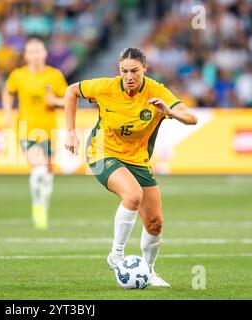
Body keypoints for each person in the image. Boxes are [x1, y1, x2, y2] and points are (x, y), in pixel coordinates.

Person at [64, 47, 197, 286]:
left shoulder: (156, 91)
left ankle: (150, 272)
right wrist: (71, 133)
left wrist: (170, 113)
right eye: (124, 71)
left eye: (135, 71)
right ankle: (116, 254)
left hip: (137, 159)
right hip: (102, 152)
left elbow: (191, 118)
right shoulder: (106, 87)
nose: (129, 76)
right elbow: (71, 91)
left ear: (145, 69)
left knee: (155, 223)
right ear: (119, 71)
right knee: (133, 195)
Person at [2, 36, 68, 230]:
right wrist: (7, 114)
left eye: (39, 51)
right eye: (31, 52)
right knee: (38, 169)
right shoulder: (18, 76)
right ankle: (37, 206)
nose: (36, 55)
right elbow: (7, 92)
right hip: (26, 130)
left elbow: (68, 99)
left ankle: (42, 209)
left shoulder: (55, 76)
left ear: (45, 53)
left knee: (47, 175)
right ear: (26, 56)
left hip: (48, 131)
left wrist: (55, 102)